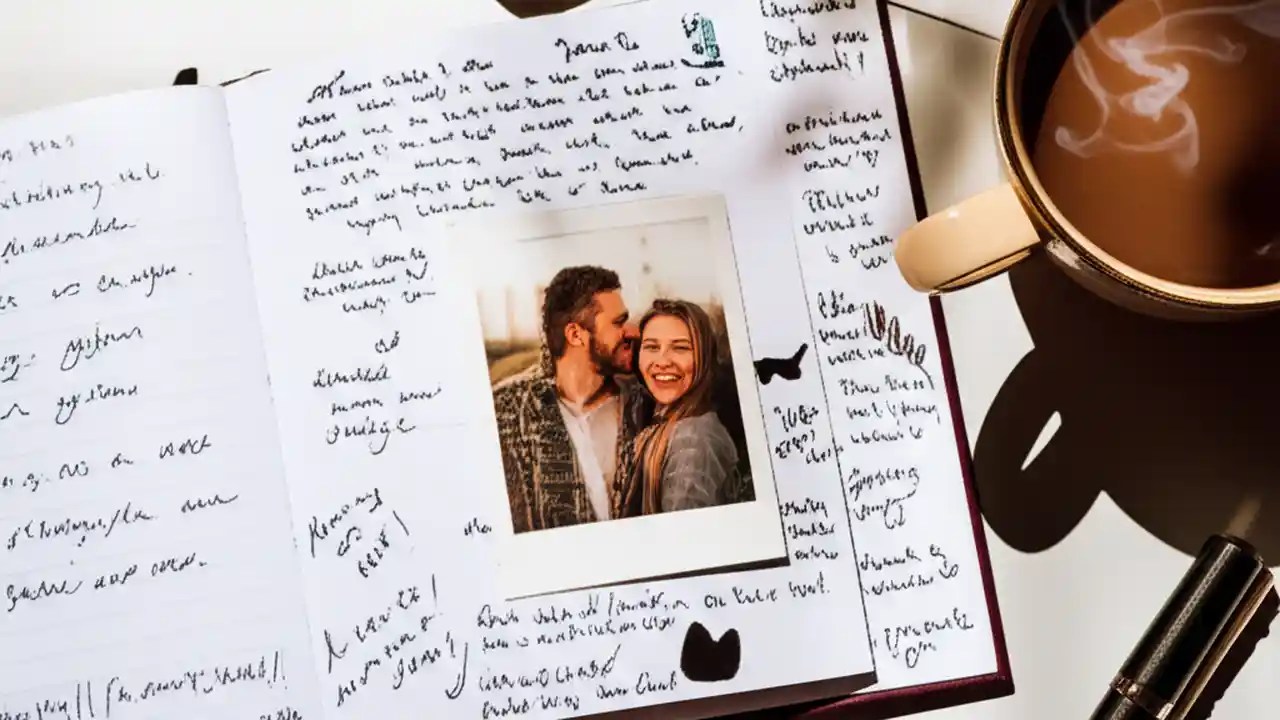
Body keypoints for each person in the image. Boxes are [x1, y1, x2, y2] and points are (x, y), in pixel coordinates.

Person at [493, 265, 644, 533]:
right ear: (576, 335)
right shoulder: (506, 411)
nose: (632, 331)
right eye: (619, 322)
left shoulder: (643, 404)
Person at [631, 299, 744, 514]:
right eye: (652, 347)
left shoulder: (694, 439)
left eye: (681, 348)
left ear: (703, 358)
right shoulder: (662, 422)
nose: (662, 361)